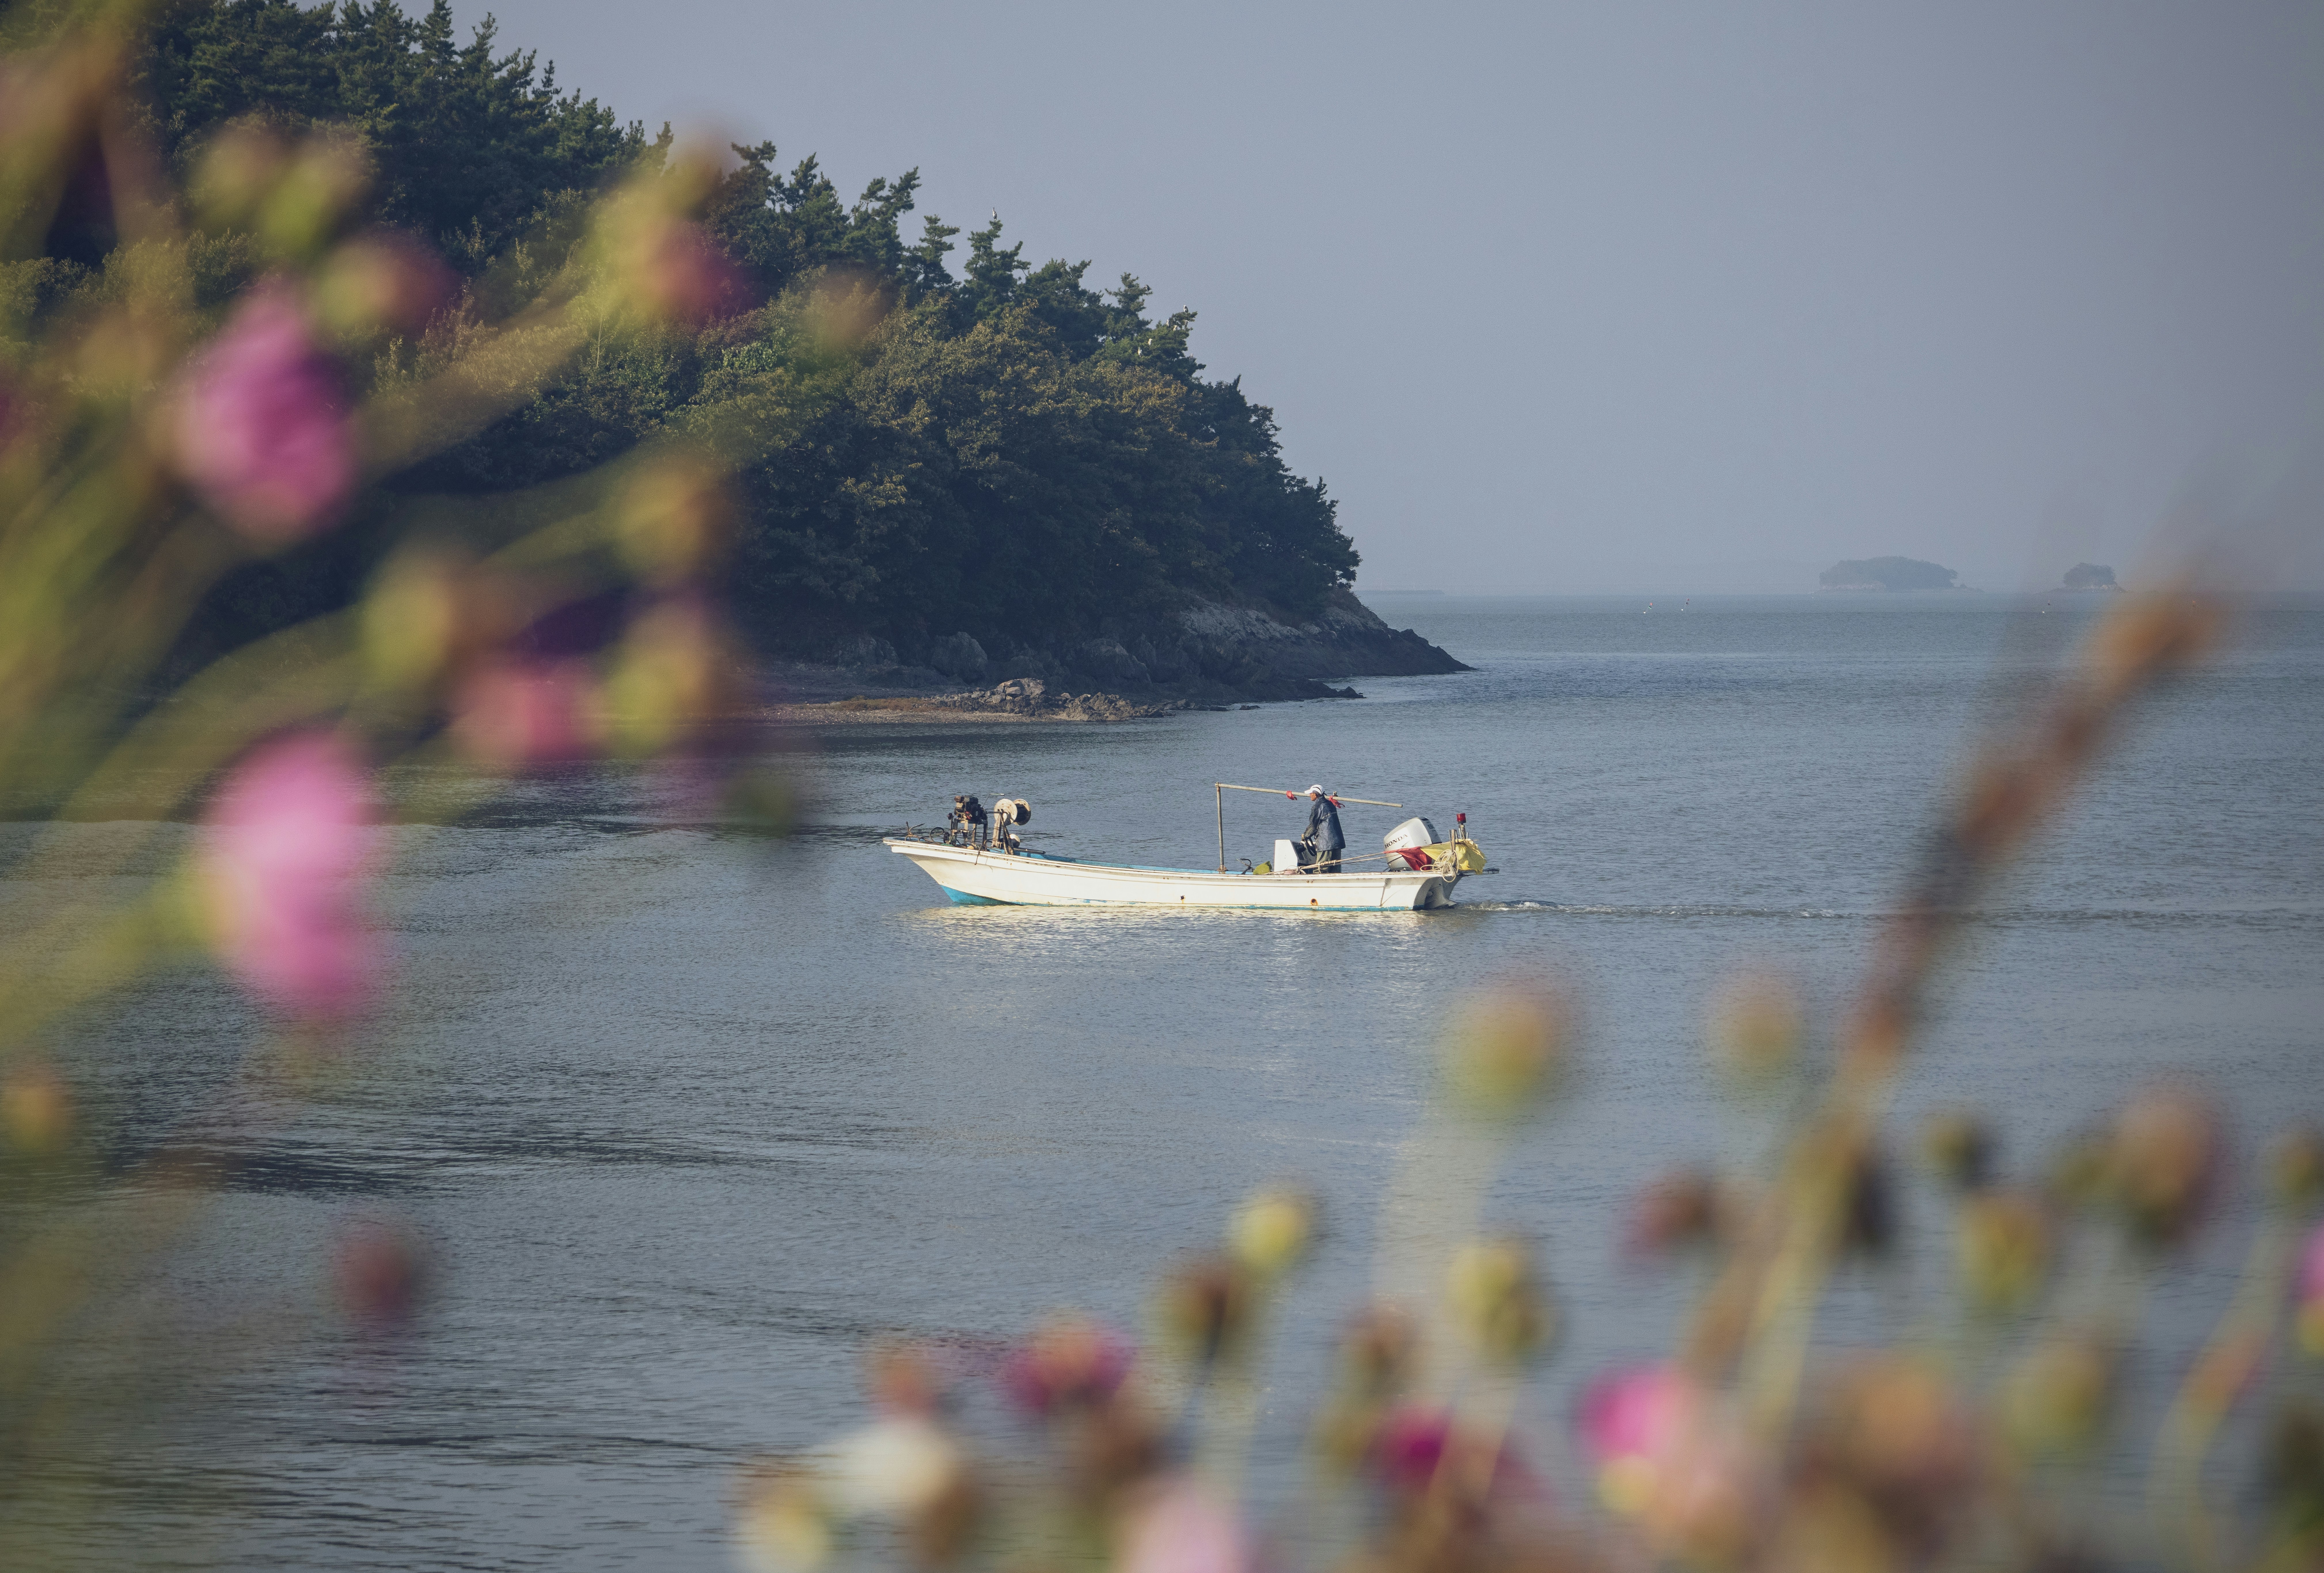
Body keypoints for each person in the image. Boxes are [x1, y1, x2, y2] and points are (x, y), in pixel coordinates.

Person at [1300, 784, 1345, 873]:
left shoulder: (1318, 807)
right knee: (1335, 869)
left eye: (1311, 794)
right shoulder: (1330, 804)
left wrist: (1305, 836)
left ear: (1316, 795)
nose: (1310, 796)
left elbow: (1313, 825)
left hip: (1326, 843)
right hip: (1337, 842)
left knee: (1321, 869)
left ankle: (1317, 885)